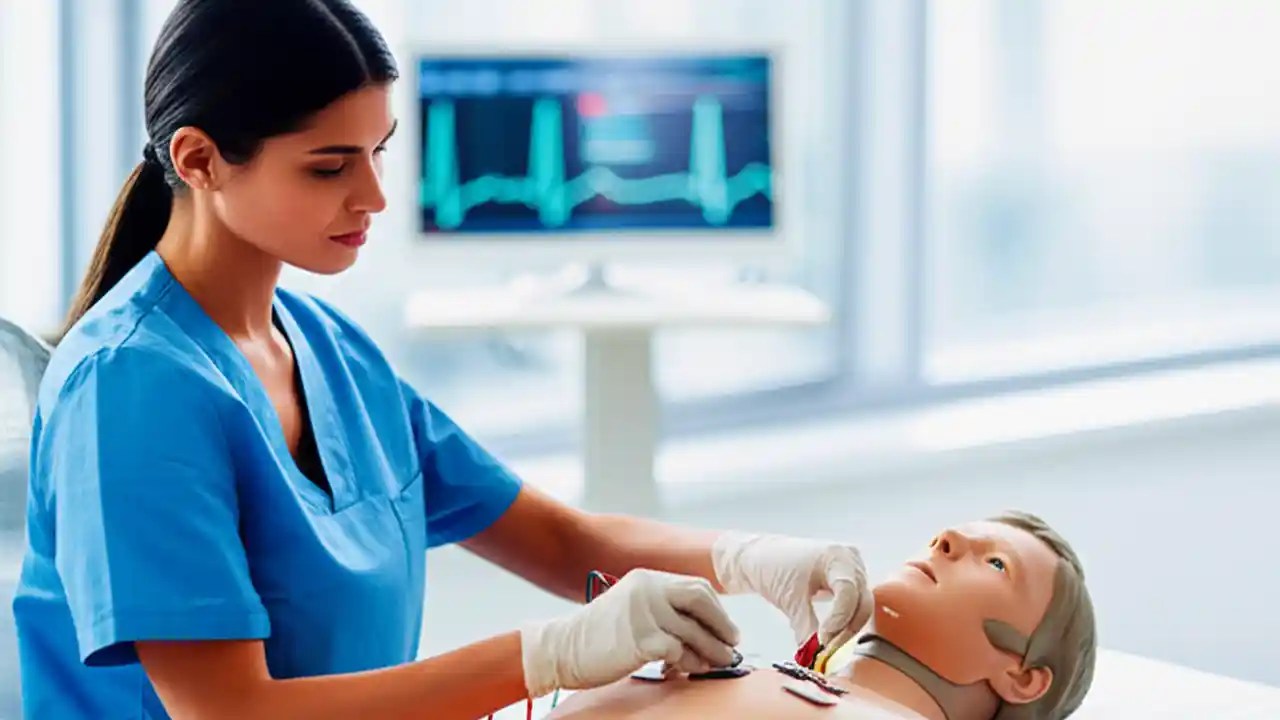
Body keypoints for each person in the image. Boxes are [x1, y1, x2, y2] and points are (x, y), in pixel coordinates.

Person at [9, 2, 874, 719]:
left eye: (379, 150)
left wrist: (754, 558)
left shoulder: (326, 347)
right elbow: (231, 712)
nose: (375, 196)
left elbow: (558, 540)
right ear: (200, 160)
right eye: (329, 167)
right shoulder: (128, 388)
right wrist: (548, 655)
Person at [547, 511, 1097, 720]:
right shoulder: (735, 669)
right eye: (944, 536)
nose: (945, 539)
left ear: (1022, 676)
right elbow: (563, 542)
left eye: (996, 564)